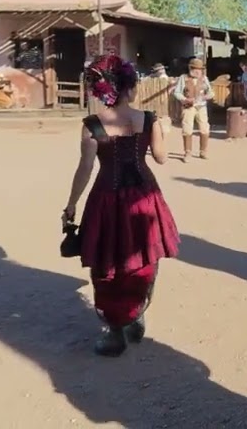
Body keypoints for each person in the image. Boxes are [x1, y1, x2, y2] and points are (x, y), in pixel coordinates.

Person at [62, 55, 180, 357]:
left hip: (107, 198)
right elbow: (163, 158)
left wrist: (71, 205)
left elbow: (85, 168)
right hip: (144, 197)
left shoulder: (92, 125)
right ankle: (136, 314)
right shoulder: (149, 119)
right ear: (130, 87)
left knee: (107, 261)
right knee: (143, 257)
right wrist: (161, 134)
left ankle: (115, 331)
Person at [173, 57, 213, 161]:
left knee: (204, 129)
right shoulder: (183, 78)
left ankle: (203, 152)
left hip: (201, 107)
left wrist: (205, 97)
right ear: (190, 68)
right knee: (187, 129)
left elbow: (211, 93)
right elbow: (177, 92)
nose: (197, 71)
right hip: (188, 107)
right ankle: (188, 153)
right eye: (195, 68)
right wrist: (185, 99)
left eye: (199, 69)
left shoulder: (204, 79)